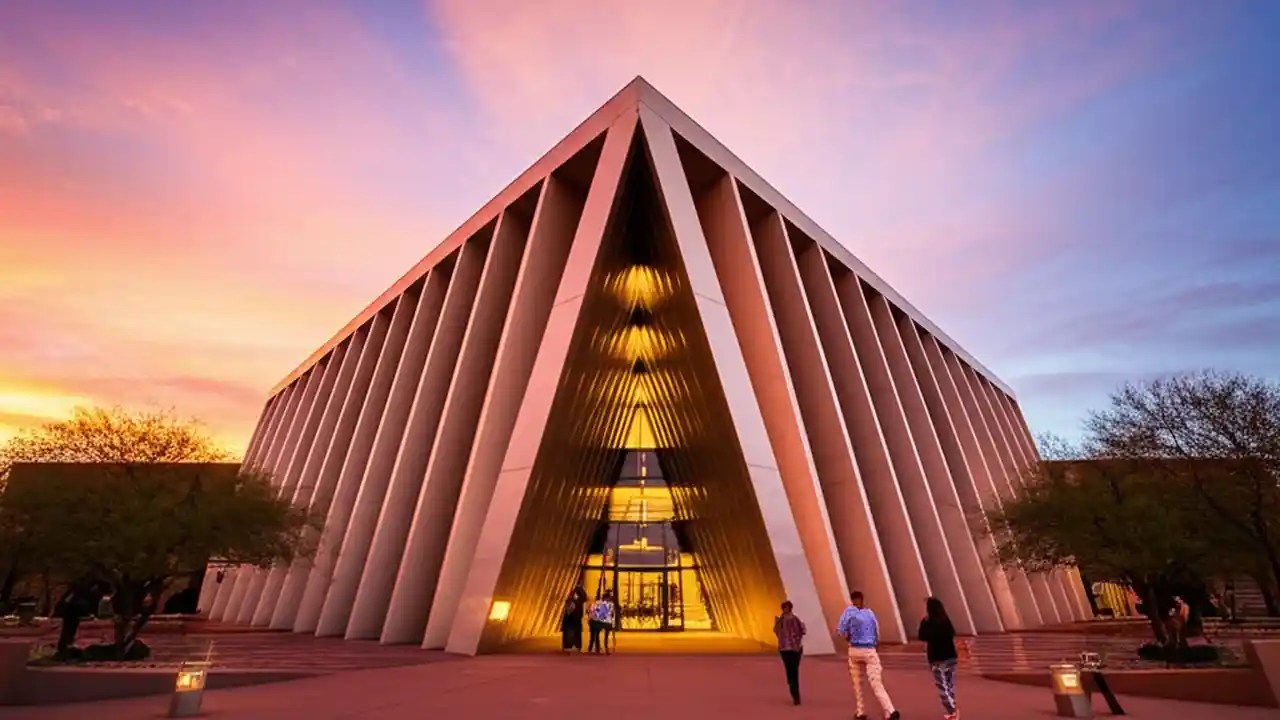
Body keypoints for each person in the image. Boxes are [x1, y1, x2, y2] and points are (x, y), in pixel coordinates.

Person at [836, 590, 899, 720]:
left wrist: (848, 635)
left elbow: (840, 631)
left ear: (852, 600)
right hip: (869, 649)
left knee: (857, 683)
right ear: (862, 599)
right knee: (876, 683)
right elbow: (877, 632)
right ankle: (890, 710)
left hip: (854, 649)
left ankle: (860, 711)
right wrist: (875, 643)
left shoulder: (848, 612)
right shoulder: (870, 613)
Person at [918, 597, 960, 720]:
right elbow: (952, 633)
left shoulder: (929, 622)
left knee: (942, 686)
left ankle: (953, 710)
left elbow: (922, 636)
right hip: (950, 656)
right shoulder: (945, 620)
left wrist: (923, 621)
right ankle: (952, 710)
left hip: (937, 658)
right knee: (949, 685)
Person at [773, 600, 806, 705]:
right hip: (785, 649)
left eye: (787, 608)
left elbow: (803, 631)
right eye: (784, 608)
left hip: (795, 649)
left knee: (794, 671)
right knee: (790, 670)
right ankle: (793, 690)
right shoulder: (780, 620)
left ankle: (795, 694)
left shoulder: (795, 619)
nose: (785, 610)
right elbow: (776, 631)